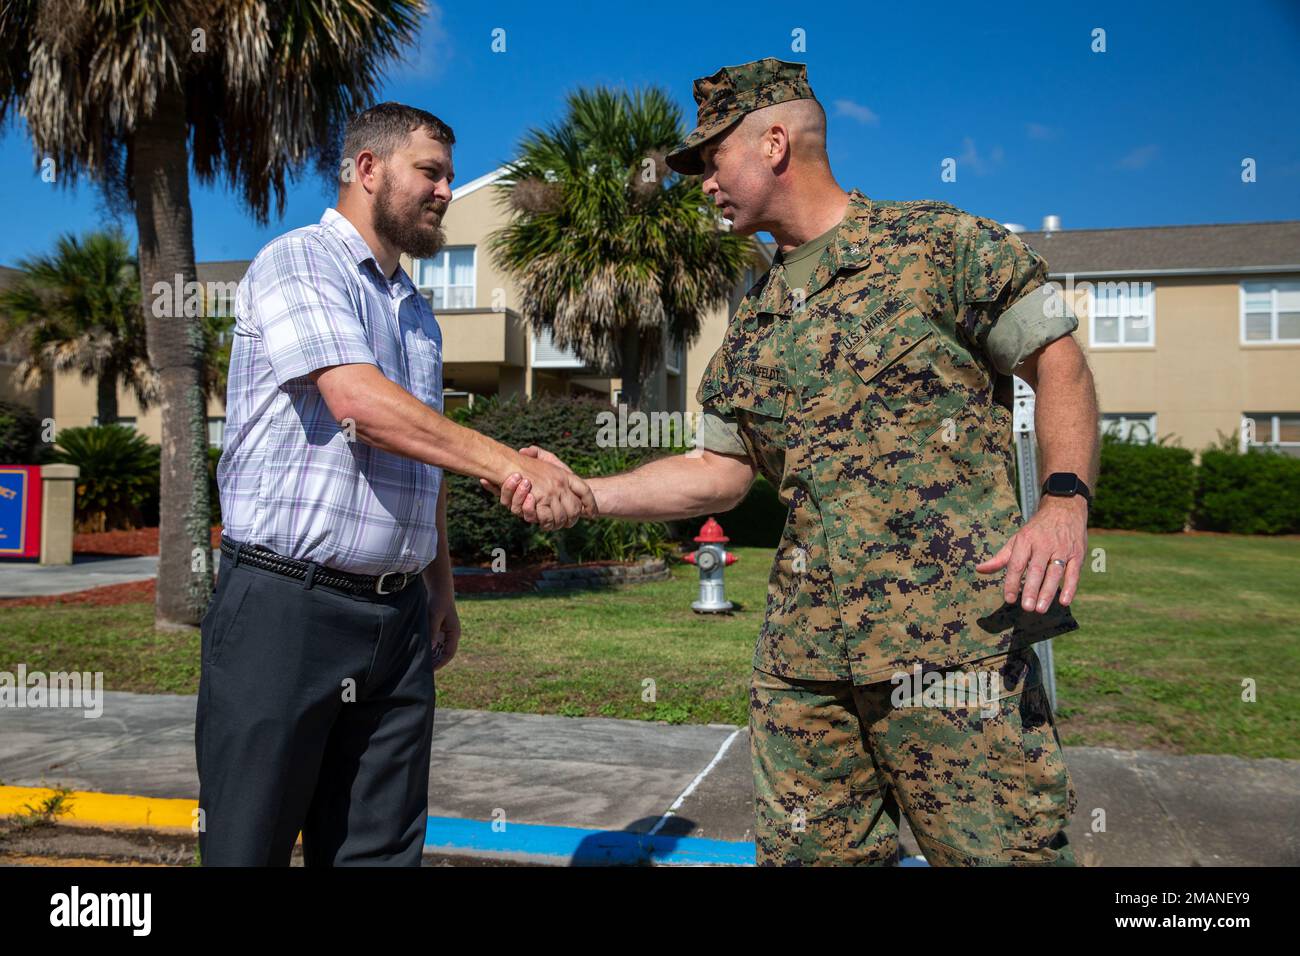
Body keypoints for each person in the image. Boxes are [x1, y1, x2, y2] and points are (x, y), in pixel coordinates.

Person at [492, 60, 1099, 865]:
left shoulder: (939, 245)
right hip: (804, 667)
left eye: (711, 161)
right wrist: (585, 494)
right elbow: (719, 469)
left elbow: (1059, 363)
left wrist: (1063, 502)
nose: (703, 184)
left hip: (955, 649)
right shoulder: (754, 321)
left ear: (774, 143)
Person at [196, 102, 595, 867]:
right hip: (286, 608)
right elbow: (362, 406)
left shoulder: (417, 313)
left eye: (449, 175)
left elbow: (421, 459)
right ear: (368, 170)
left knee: (379, 853)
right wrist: (511, 463)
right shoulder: (299, 262)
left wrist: (438, 584)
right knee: (248, 847)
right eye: (431, 172)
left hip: (397, 622)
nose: (446, 190)